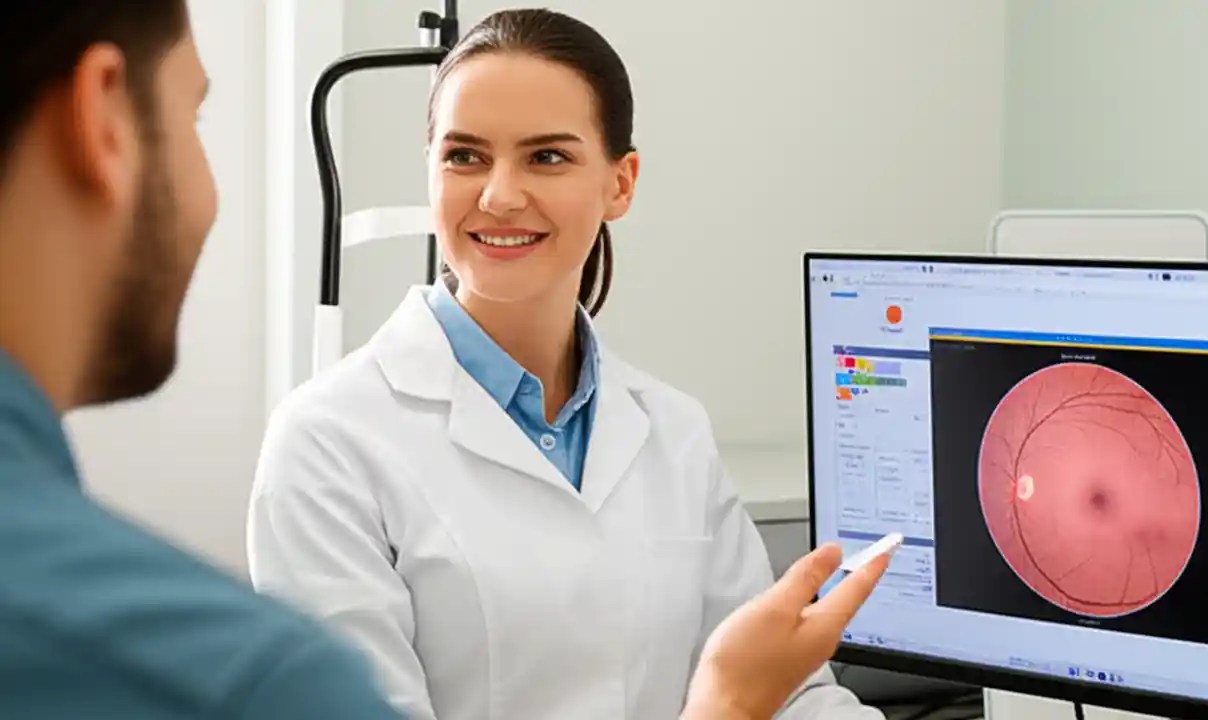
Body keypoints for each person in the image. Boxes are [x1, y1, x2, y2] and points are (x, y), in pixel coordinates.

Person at [0, 2, 888, 719]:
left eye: (547, 155)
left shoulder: (672, 430)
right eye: (465, 156)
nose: (500, 194)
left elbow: (792, 688)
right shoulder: (330, 441)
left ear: (620, 182)